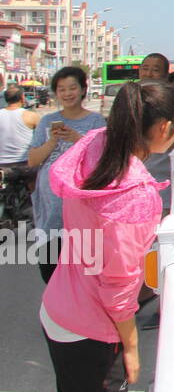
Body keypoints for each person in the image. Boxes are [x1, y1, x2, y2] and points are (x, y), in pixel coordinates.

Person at [40, 81, 174, 392]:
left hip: (59, 308)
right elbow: (117, 287)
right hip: (90, 328)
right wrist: (131, 346)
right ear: (163, 127)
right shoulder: (135, 197)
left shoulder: (95, 145)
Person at [27, 67, 107, 282]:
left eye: (72, 87)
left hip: (83, 212)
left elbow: (103, 161)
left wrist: (76, 138)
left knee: (84, 276)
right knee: (51, 275)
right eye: (61, 89)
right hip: (50, 210)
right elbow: (33, 160)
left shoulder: (96, 122)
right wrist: (52, 141)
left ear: (83, 90)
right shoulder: (46, 122)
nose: (67, 93)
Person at [137, 53, 174, 183]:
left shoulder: (173, 103)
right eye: (145, 68)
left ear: (165, 76)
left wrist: (155, 139)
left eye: (155, 70)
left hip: (162, 183)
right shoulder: (127, 99)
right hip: (129, 184)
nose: (149, 73)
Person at [0, 86, 41, 225]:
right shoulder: (30, 115)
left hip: (2, 168)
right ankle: (38, 215)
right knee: (37, 188)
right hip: (26, 166)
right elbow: (43, 137)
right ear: (22, 98)